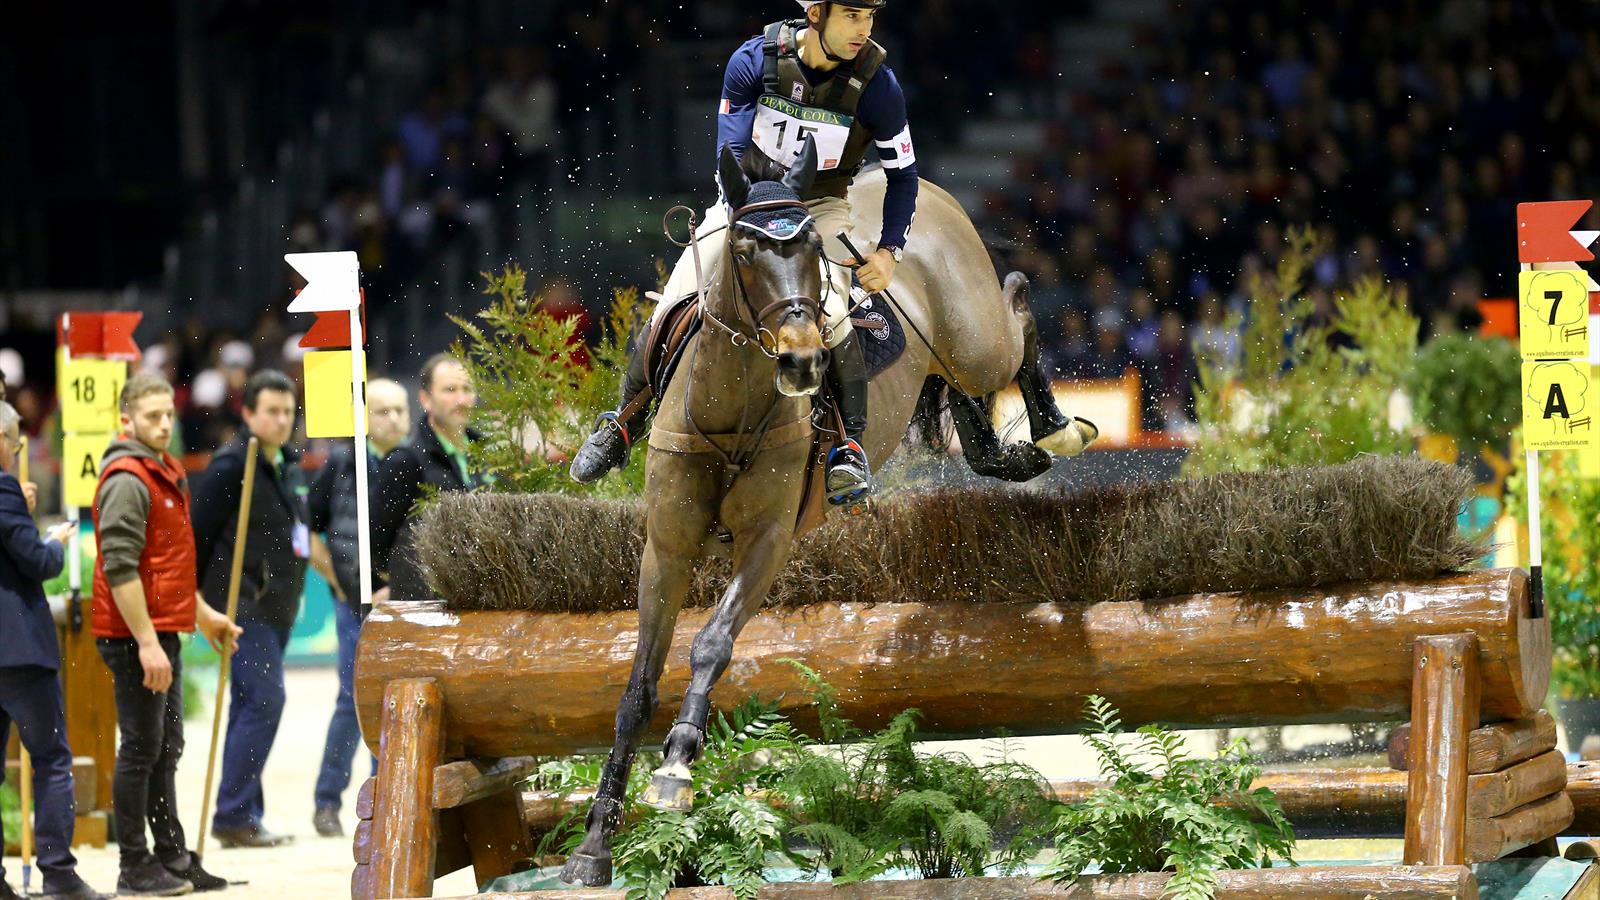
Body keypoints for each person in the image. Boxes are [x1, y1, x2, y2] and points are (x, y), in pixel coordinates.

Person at [570, 0, 916, 507]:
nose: (863, 29)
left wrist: (889, 252)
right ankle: (620, 425)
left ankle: (849, 447)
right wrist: (749, 214)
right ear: (816, 13)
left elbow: (903, 175)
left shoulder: (880, 88)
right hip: (746, 202)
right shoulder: (753, 62)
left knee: (836, 315)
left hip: (818, 207)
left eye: (869, 17)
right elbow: (730, 156)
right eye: (852, 16)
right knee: (675, 299)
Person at [91, 374, 241, 895]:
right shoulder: (127, 479)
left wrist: (202, 614)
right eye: (151, 416)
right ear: (125, 420)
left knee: (165, 743)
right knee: (141, 747)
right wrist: (149, 643)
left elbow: (167, 568)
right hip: (134, 636)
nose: (162, 424)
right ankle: (135, 867)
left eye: (166, 415)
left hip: (160, 630)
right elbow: (121, 568)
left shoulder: (164, 470)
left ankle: (170, 855)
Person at [191, 370, 320, 848]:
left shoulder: (286, 463)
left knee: (251, 703)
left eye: (288, 411)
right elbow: (196, 537)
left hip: (278, 608)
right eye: (271, 410)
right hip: (241, 606)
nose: (282, 419)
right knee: (266, 700)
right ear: (247, 413)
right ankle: (234, 814)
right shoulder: (231, 466)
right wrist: (198, 603)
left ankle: (242, 812)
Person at [0, 402, 105, 900]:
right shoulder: (2, 488)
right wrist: (56, 542)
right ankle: (59, 873)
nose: (16, 452)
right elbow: (38, 562)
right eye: (16, 443)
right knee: (52, 761)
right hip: (17, 650)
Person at [306, 379, 410, 837]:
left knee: (393, 702)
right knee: (352, 701)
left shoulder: (414, 465)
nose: (391, 418)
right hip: (354, 607)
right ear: (364, 417)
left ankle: (383, 795)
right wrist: (344, 586)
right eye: (382, 410)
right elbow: (307, 530)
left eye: (398, 410)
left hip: (401, 608)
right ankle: (327, 800)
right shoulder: (342, 465)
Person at [372, 355, 480, 604]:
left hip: (478, 600)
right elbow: (377, 539)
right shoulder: (406, 460)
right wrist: (401, 581)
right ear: (425, 399)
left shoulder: (489, 454)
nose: (461, 399)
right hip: (424, 603)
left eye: (467, 389)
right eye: (450, 390)